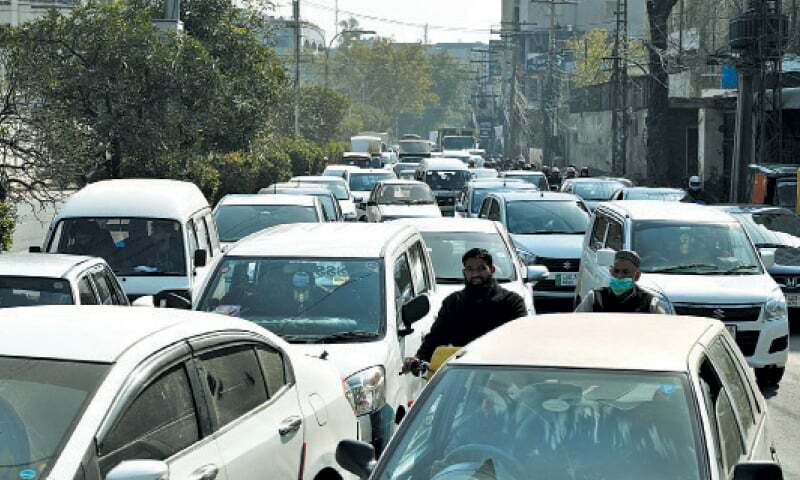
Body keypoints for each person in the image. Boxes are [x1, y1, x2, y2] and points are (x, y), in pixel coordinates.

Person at [402, 248, 527, 372]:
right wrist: (418, 359)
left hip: (502, 372)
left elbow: (522, 340)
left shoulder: (512, 302)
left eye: (481, 268)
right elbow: (436, 337)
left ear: (492, 270)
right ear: (464, 272)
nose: (475, 274)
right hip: (463, 373)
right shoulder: (453, 302)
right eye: (470, 269)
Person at [576, 250, 666, 313]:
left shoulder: (649, 303)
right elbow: (577, 323)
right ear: (610, 271)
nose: (619, 276)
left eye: (625, 272)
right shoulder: (595, 298)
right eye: (616, 271)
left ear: (637, 276)